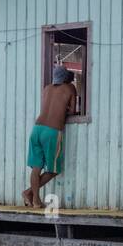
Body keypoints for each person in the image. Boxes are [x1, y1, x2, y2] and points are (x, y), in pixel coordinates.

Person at [23, 66, 77, 207]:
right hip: (52, 131)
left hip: (37, 129)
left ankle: (34, 199)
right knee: (53, 170)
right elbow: (72, 110)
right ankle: (29, 193)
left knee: (36, 167)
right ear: (66, 78)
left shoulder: (47, 89)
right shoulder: (70, 88)